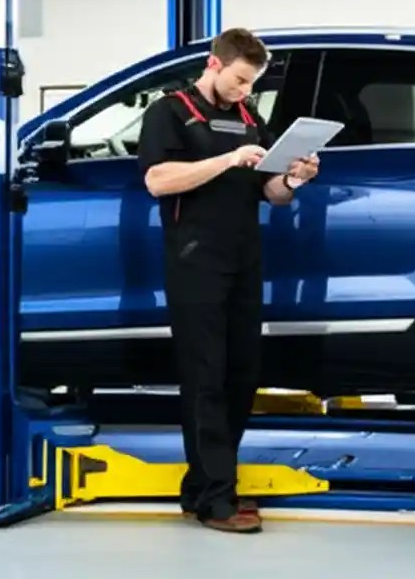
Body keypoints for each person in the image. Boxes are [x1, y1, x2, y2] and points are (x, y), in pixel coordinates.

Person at [136, 28, 320, 533]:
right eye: (240, 80)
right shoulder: (169, 112)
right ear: (215, 65)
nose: (245, 92)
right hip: (196, 260)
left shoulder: (248, 118)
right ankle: (219, 500)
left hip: (244, 259)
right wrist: (226, 159)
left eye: (252, 84)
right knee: (206, 378)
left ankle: (200, 488)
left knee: (241, 375)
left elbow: (272, 193)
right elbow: (157, 180)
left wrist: (295, 177)